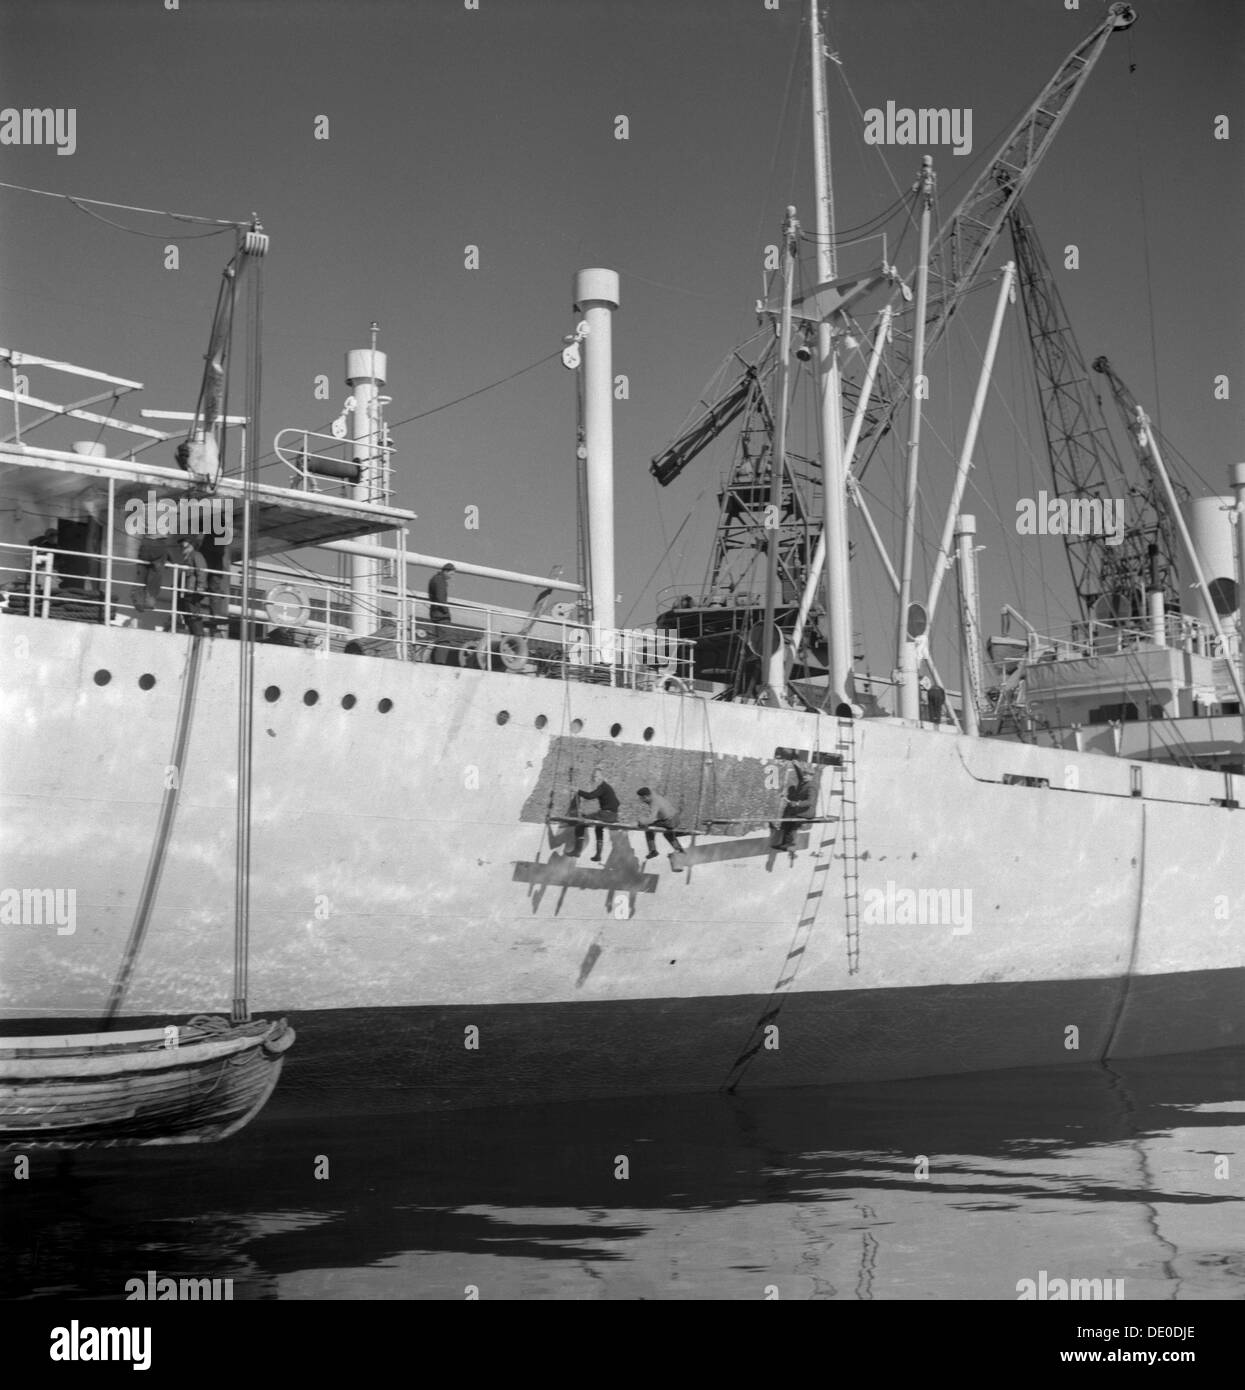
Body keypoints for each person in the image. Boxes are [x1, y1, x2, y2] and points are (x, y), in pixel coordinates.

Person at [572, 766, 619, 862]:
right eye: (593, 776)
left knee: (580, 823)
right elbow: (617, 803)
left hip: (605, 815)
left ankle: (577, 851)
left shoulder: (603, 787)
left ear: (601, 777)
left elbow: (590, 796)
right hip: (613, 816)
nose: (594, 778)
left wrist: (578, 791)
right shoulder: (608, 788)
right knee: (598, 828)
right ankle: (598, 855)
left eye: (596, 776)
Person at [775, 761, 814, 851]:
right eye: (804, 774)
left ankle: (789, 843)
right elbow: (800, 775)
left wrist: (797, 803)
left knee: (790, 820)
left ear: (811, 776)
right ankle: (786, 843)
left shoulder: (811, 787)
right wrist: (795, 765)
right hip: (801, 810)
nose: (804, 776)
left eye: (807, 775)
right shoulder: (803, 781)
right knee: (787, 819)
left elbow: (810, 802)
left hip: (807, 812)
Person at [174, 538, 210, 636]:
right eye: (181, 547)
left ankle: (199, 636)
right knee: (186, 613)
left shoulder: (196, 555)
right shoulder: (186, 558)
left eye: (184, 546)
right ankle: (194, 634)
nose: (182, 549)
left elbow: (201, 570)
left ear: (191, 546)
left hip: (192, 591)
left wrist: (200, 587)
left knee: (193, 614)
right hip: (185, 592)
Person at [636, 787, 683, 859]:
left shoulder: (654, 803)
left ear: (646, 796)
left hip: (669, 821)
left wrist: (642, 822)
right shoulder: (656, 797)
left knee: (649, 828)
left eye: (642, 798)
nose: (642, 800)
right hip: (675, 818)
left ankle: (653, 850)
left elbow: (651, 819)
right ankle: (679, 850)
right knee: (668, 834)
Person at [427, 562, 455, 664]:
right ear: (446, 571)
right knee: (445, 638)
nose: (452, 576)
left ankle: (436, 660)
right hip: (440, 614)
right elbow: (440, 597)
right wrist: (446, 611)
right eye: (451, 574)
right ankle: (440, 662)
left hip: (436, 612)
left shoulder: (436, 579)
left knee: (441, 638)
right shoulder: (440, 581)